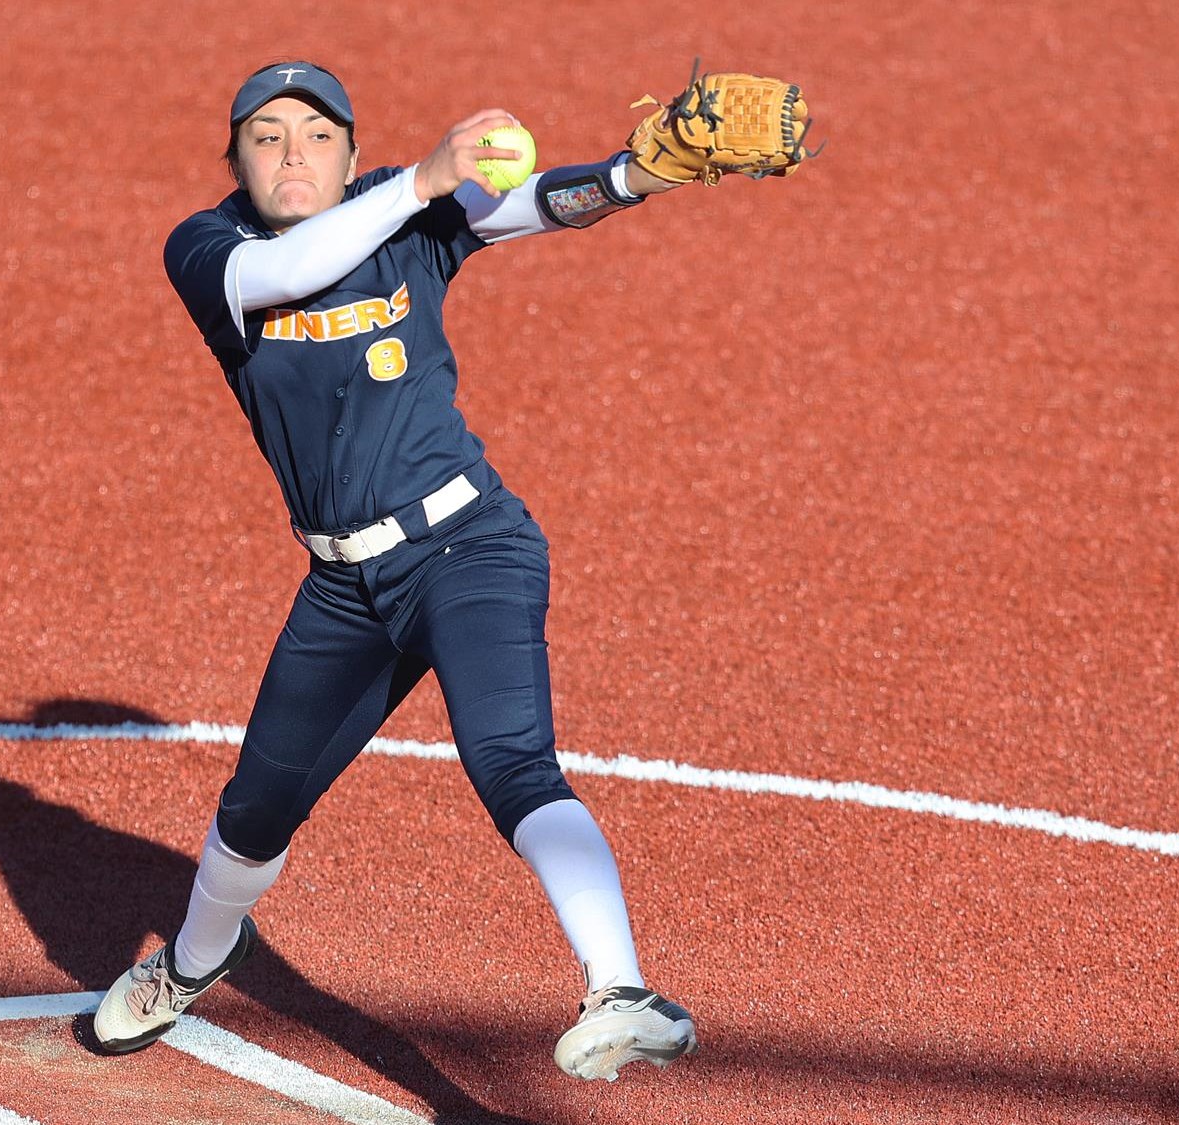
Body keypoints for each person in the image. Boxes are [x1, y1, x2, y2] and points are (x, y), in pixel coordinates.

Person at [89, 59, 715, 1083]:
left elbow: (539, 203)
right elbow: (286, 275)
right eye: (267, 137)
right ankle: (195, 965)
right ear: (236, 159)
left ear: (347, 148)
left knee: (512, 762)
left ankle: (620, 989)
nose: (293, 153)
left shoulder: (406, 216)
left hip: (469, 547)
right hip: (342, 591)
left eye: (316, 135)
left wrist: (635, 176)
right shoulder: (210, 250)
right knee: (256, 808)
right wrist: (417, 180)